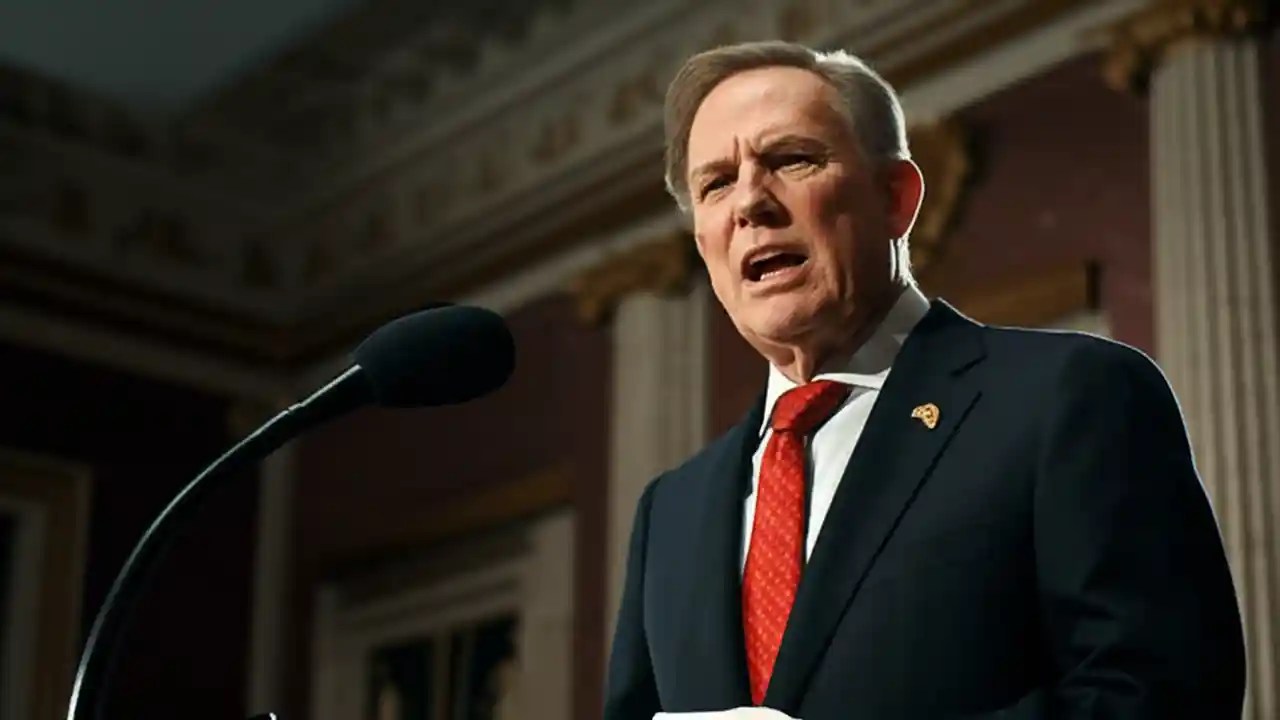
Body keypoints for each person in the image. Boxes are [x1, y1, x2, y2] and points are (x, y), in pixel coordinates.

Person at [603, 40, 1245, 719]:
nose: (750, 203)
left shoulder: (1069, 398)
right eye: (715, 183)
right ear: (703, 241)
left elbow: (1161, 696)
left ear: (895, 197)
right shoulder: (671, 511)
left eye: (790, 159)